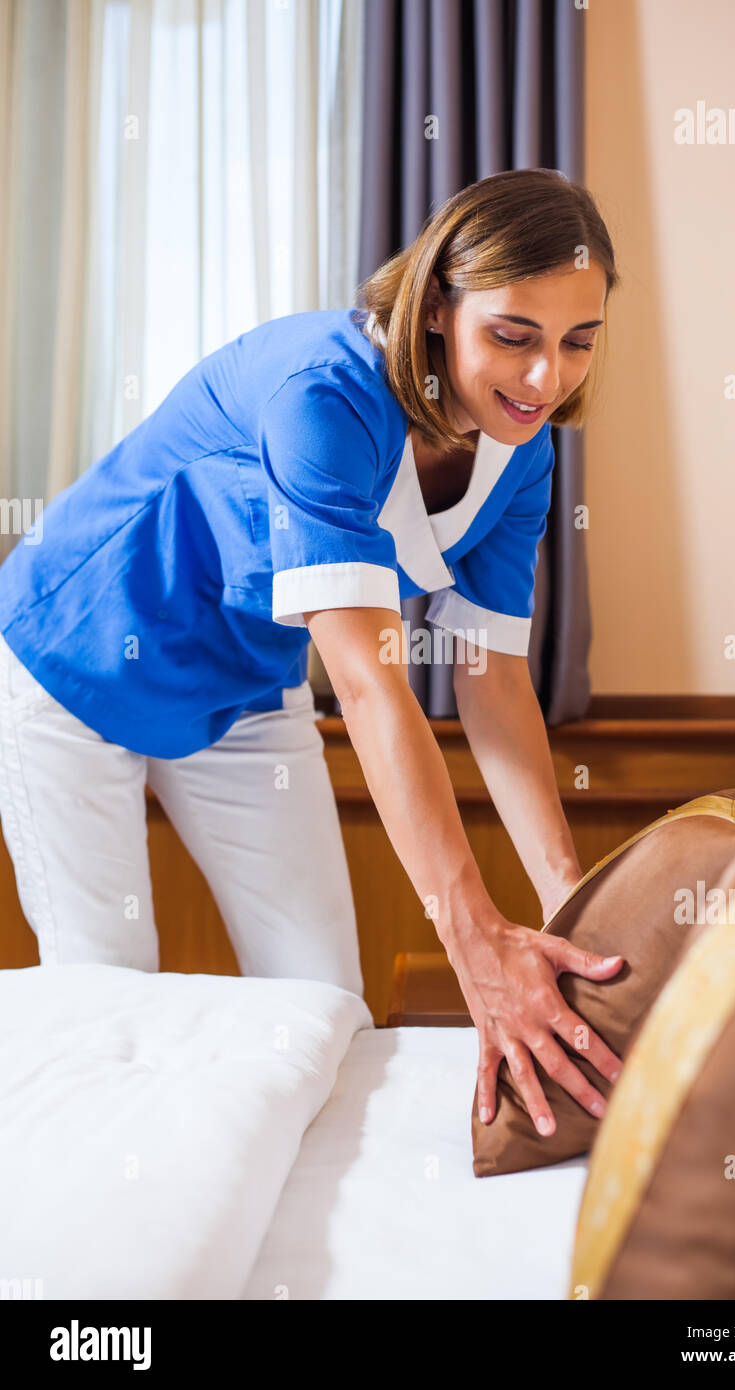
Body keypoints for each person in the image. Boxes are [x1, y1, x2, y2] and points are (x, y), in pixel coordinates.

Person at [0, 167, 623, 1139]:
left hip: (243, 686)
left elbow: (490, 677)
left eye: (575, 341)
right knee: (105, 996)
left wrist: (572, 904)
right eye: (513, 336)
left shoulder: (523, 449)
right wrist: (472, 941)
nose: (545, 378)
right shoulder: (323, 398)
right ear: (434, 312)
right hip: (72, 659)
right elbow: (373, 685)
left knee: (323, 1006)